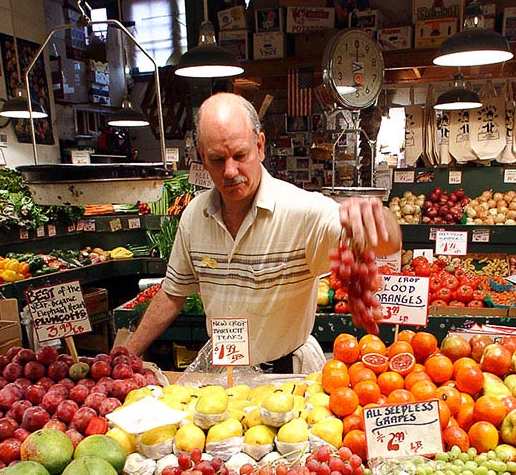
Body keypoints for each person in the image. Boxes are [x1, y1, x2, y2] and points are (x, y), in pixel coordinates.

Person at [122, 93, 401, 372]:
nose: (230, 171)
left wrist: (375, 218)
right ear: (202, 158)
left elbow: (387, 244)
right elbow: (172, 293)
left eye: (240, 155)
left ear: (260, 146)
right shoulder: (195, 216)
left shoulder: (302, 210)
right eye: (218, 159)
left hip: (286, 377)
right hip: (224, 375)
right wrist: (125, 355)